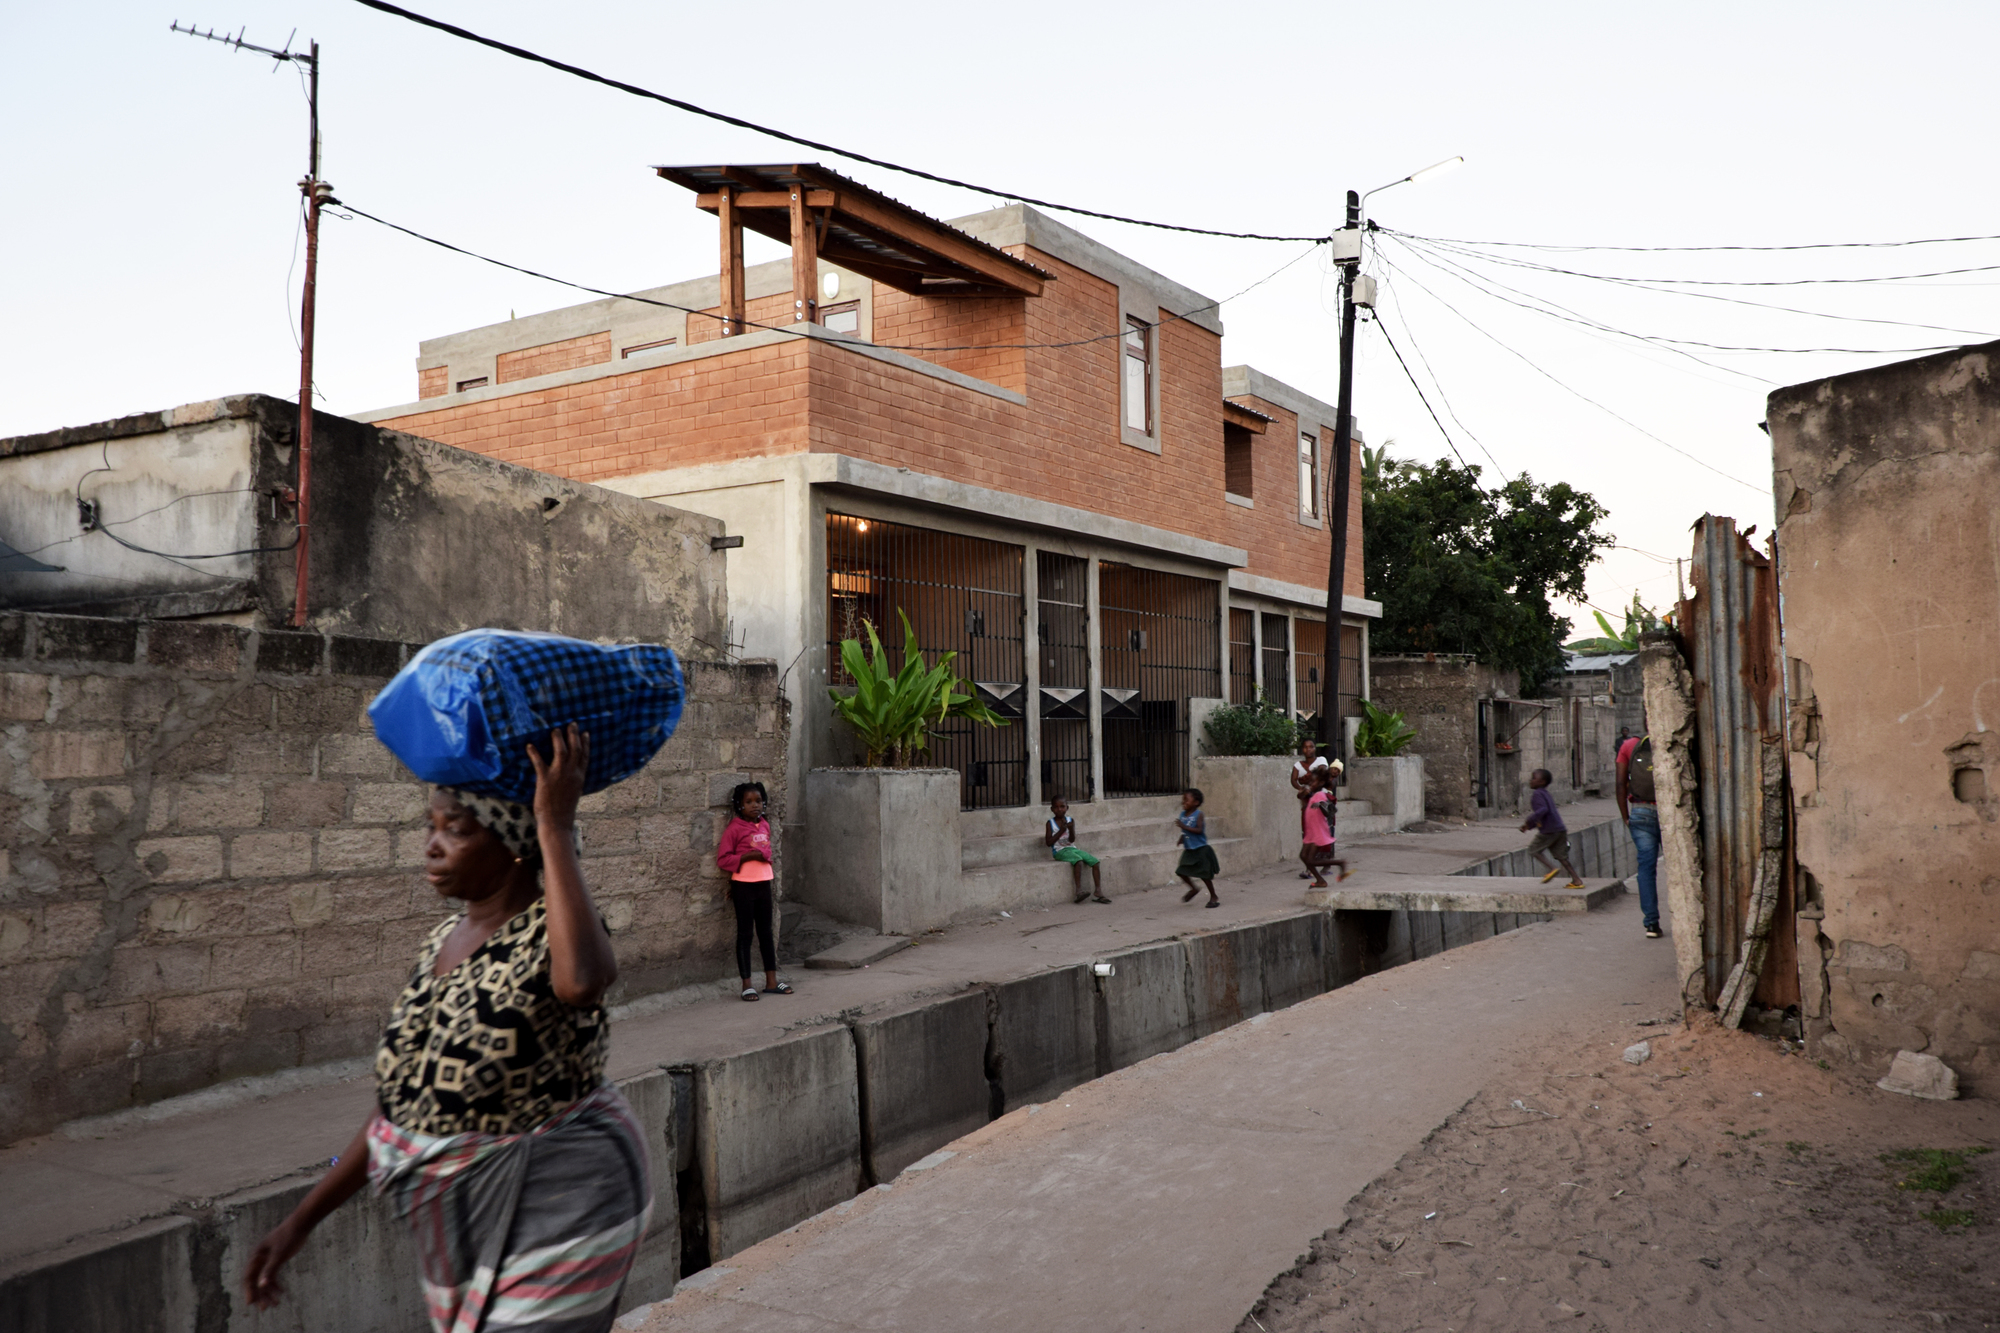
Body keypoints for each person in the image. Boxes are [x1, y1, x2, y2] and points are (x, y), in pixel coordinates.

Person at [242, 725, 653, 1333]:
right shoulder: (440, 943)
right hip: (464, 1215)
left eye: (456, 830)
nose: (432, 847)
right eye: (430, 827)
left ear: (514, 843)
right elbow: (402, 1104)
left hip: (565, 1200)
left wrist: (555, 826)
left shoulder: (553, 932)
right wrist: (301, 1221)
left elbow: (583, 982)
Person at [717, 782, 791, 1000]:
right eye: (748, 802)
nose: (754, 805)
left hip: (764, 883)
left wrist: (762, 855)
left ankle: (771, 981)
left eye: (758, 801)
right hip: (743, 885)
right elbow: (723, 859)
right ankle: (747, 984)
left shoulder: (765, 825)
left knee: (766, 933)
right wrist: (748, 856)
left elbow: (767, 851)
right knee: (745, 934)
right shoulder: (734, 828)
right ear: (739, 805)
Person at [1617, 733, 1664, 939]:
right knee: (1681, 866)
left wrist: (1626, 816)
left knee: (1645, 869)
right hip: (1670, 811)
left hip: (1640, 811)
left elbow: (1620, 783)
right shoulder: (1670, 740)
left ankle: (1651, 923)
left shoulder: (1630, 745)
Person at [1520, 768, 1584, 889]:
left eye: (1534, 778)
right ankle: (1576, 880)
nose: (1530, 780)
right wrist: (1529, 826)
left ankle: (1552, 868)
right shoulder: (1546, 794)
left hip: (1548, 830)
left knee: (1534, 850)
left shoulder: (1537, 794)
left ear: (1542, 782)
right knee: (1561, 856)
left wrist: (1529, 821)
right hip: (1559, 828)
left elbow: (1542, 811)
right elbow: (1545, 813)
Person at [1046, 796, 1110, 904]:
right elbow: (1048, 842)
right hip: (1059, 851)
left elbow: (1072, 839)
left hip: (1072, 848)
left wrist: (1070, 829)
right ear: (1052, 809)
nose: (1059, 809)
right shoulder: (1050, 823)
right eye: (1056, 807)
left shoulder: (1070, 820)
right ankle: (1079, 891)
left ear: (1067, 807)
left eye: (1062, 806)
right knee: (1078, 861)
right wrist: (1061, 830)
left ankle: (1098, 891)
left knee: (1095, 862)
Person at [1290, 739, 1337, 878]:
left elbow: (1321, 774)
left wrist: (1307, 782)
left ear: (1315, 748)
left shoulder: (1321, 760)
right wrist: (1302, 787)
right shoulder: (1298, 765)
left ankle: (1326, 864)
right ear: (1302, 749)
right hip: (1308, 804)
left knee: (1325, 831)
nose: (1308, 749)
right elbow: (1293, 780)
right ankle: (1310, 866)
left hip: (1322, 801)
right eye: (1305, 747)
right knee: (1309, 832)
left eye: (1311, 747)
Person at [1301, 767, 1349, 887]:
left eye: (1314, 782)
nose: (1311, 784)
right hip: (1311, 831)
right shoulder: (1314, 795)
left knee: (1310, 859)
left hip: (1317, 832)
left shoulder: (1320, 795)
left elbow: (1328, 811)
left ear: (1321, 783)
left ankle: (1339, 863)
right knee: (1303, 856)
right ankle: (1320, 880)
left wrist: (1321, 805)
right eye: (1310, 782)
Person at [1175, 787, 1221, 907]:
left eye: (1187, 800)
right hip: (1189, 849)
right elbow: (1185, 831)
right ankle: (1193, 888)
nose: (1184, 802)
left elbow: (1199, 830)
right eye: (1183, 800)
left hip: (1201, 849)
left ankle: (1213, 896)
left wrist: (1184, 827)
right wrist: (1182, 838)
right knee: (1181, 871)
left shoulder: (1198, 814)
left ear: (1196, 802)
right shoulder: (1182, 815)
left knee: (1204, 875)